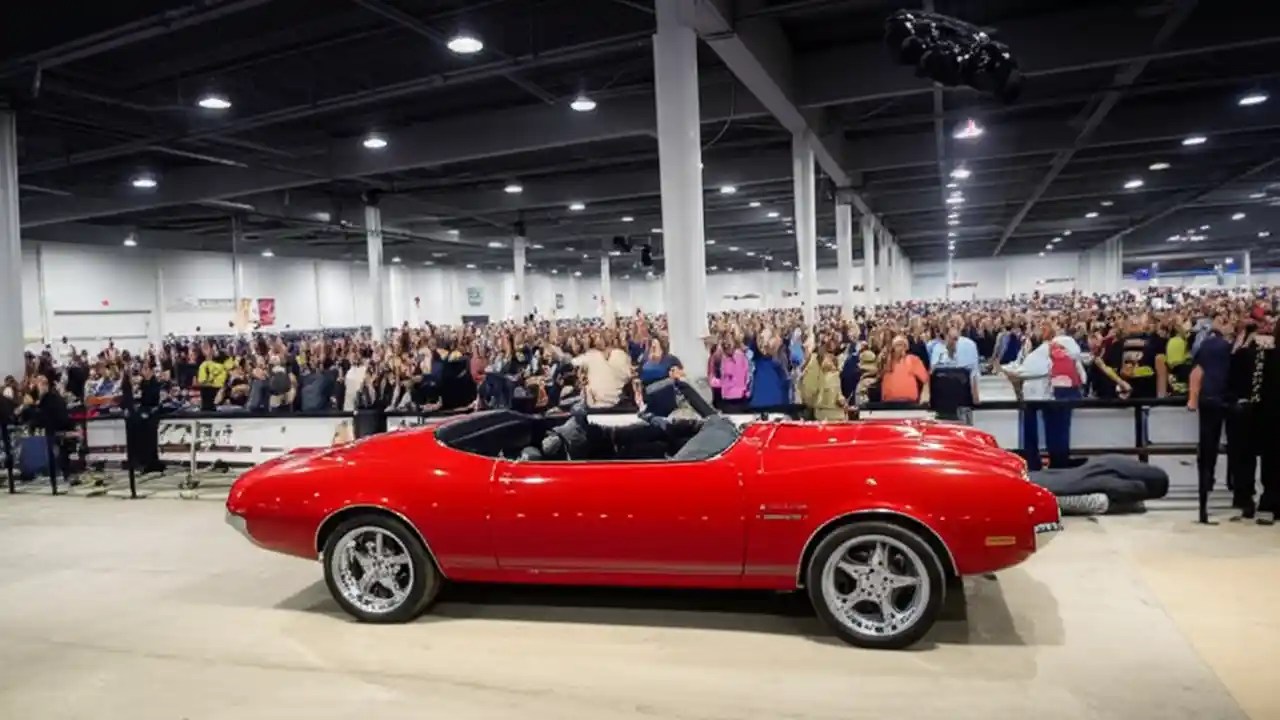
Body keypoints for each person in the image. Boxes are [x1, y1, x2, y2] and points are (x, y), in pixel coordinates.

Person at [1187, 312, 1232, 505]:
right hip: (1228, 399)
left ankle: (1206, 481)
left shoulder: (1205, 345)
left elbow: (1196, 372)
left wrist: (1193, 399)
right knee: (1236, 445)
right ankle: (1233, 483)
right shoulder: (1229, 347)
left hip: (1208, 398)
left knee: (1207, 445)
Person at [879, 334, 929, 405]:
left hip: (909, 401)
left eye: (902, 345)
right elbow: (879, 373)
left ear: (906, 347)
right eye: (898, 345)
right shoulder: (887, 361)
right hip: (889, 401)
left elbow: (925, 379)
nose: (900, 348)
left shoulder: (913, 359)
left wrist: (924, 397)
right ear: (893, 347)